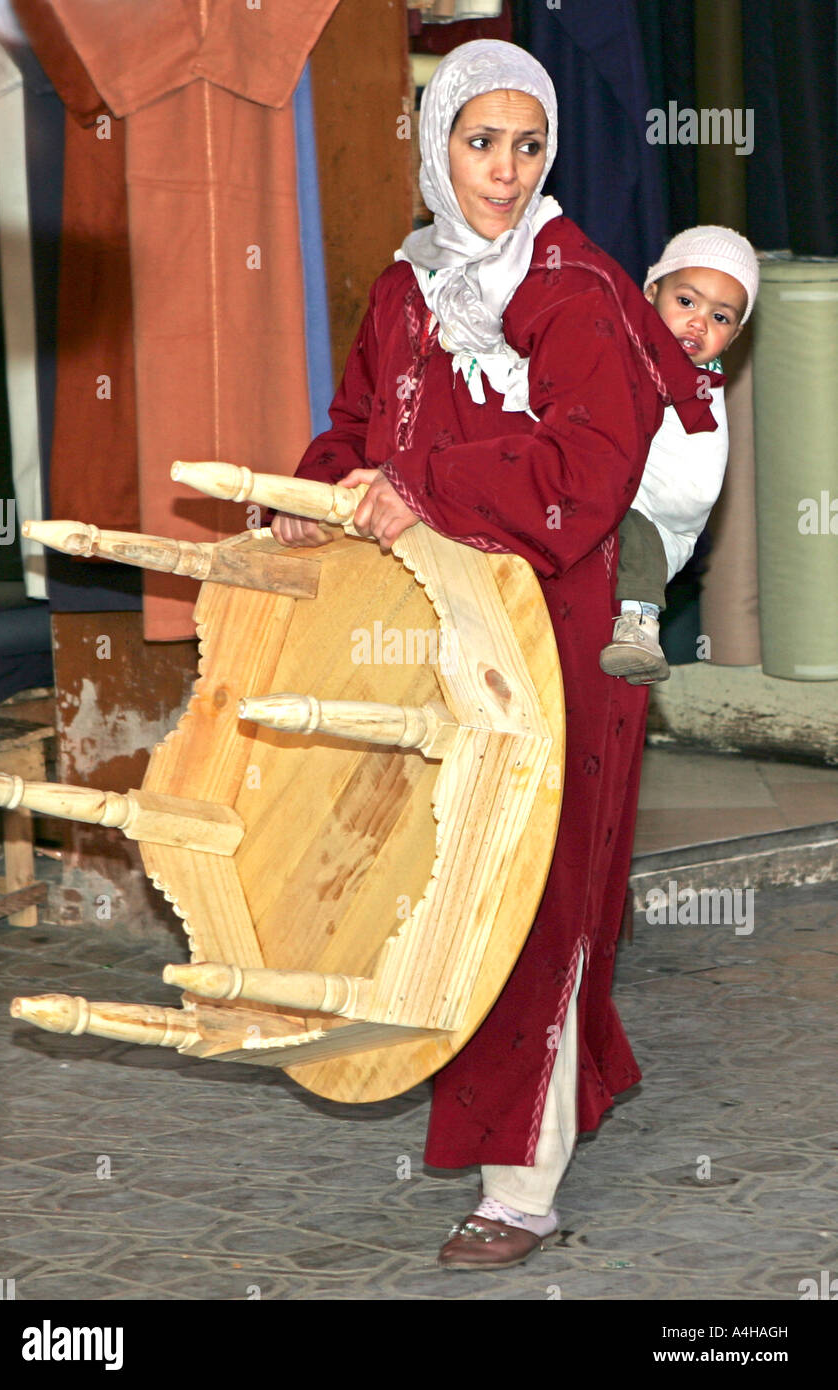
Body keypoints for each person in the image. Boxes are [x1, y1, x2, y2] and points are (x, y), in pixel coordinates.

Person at [272, 39, 723, 1270]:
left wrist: (415, 484)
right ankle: (557, 1079)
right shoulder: (405, 286)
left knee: (536, 893)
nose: (506, 171)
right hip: (432, 632)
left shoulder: (577, 291)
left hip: (557, 638)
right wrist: (308, 497)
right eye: (481, 142)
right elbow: (356, 428)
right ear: (437, 146)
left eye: (528, 146)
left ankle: (519, 1189)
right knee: (446, 880)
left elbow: (588, 472)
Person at [599, 226, 760, 684]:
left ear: (734, 336)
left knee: (636, 536)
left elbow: (694, 491)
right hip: (610, 492)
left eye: (720, 317)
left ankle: (639, 625)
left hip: (660, 520)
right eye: (686, 302)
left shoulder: (699, 390)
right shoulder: (621, 347)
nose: (699, 323)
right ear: (650, 295)